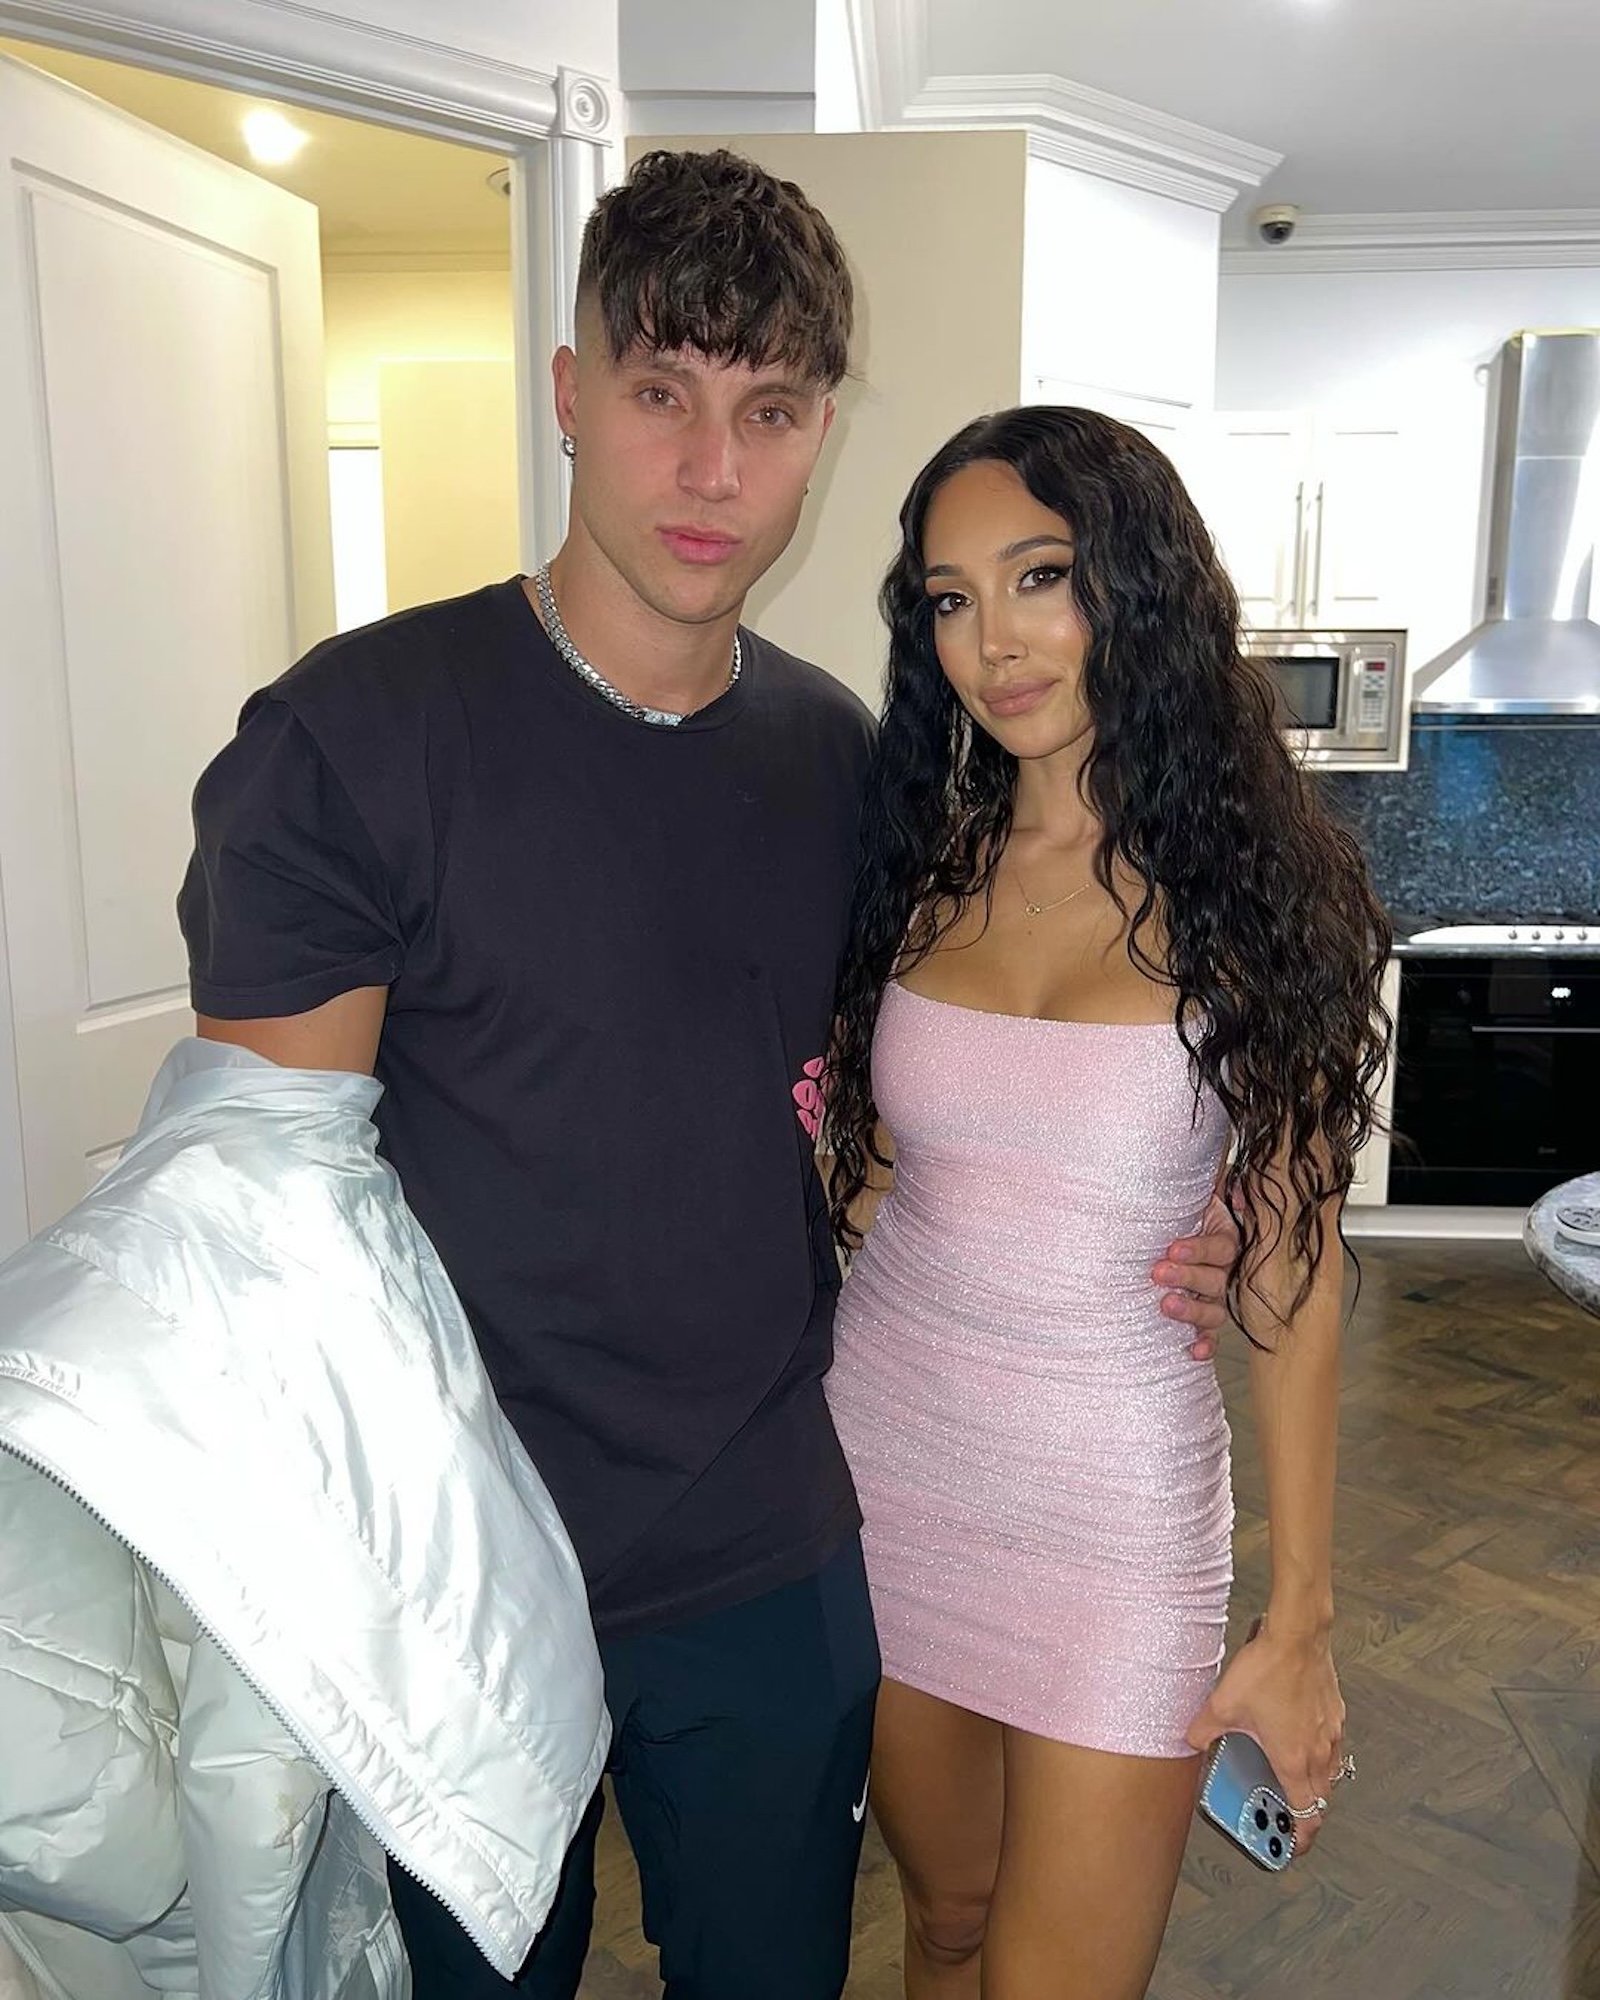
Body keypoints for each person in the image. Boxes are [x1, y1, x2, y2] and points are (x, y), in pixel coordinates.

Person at [177, 155, 1238, 2000]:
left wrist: (1164, 1212)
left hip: (770, 1544)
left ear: (822, 436)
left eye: (770, 411)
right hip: (458, 1565)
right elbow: (265, 1225)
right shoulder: (351, 740)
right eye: (660, 391)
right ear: (568, 390)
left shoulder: (841, 760)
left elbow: (906, 1096)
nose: (710, 469)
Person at [822, 405, 1391, 2000]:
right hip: (886, 1470)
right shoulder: (917, 866)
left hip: (1115, 1515)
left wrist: (1301, 1618)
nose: (992, 642)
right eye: (950, 599)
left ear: (1136, 586)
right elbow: (880, 1182)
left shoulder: (1257, 893)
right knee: (945, 1922)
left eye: (1040, 577)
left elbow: (1293, 1270)